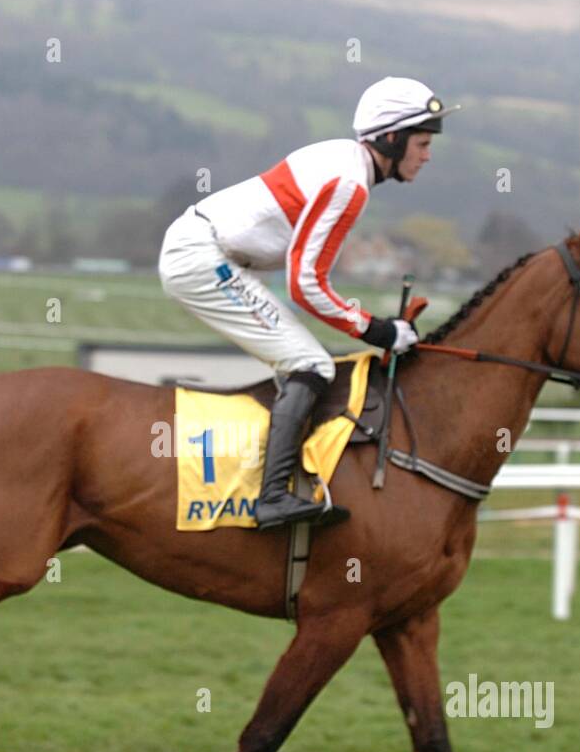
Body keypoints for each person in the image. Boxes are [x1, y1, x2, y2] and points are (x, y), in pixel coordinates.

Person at [158, 76, 457, 530]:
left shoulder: (348, 164)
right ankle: (272, 497)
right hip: (201, 257)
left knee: (302, 359)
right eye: (421, 142)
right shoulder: (349, 184)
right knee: (311, 364)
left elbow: (306, 279)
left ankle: (280, 477)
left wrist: (374, 325)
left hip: (207, 250)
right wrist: (379, 331)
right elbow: (304, 284)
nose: (427, 154)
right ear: (392, 139)